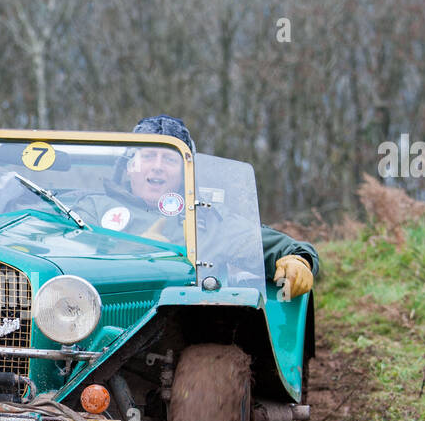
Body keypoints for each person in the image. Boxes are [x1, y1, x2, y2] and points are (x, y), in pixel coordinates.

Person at [81, 115, 318, 296]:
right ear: (130, 164)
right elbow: (63, 252)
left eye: (170, 159)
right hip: (83, 328)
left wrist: (298, 259)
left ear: (186, 172)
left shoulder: (205, 218)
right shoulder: (92, 209)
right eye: (148, 155)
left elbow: (274, 246)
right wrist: (135, 251)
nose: (157, 166)